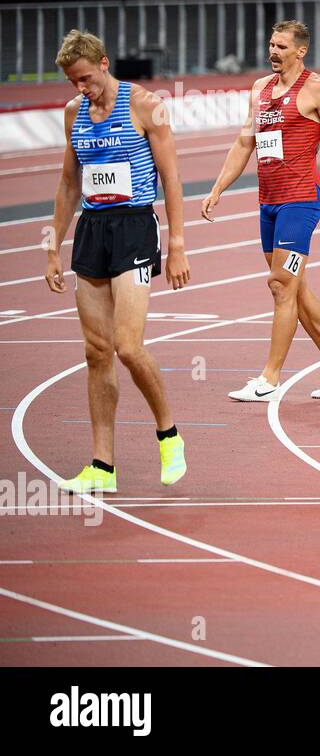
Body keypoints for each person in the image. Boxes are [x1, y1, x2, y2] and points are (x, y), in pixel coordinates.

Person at [46, 29, 191, 492]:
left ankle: (169, 435)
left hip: (134, 227)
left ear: (105, 63)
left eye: (86, 78)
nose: (81, 89)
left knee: (128, 346)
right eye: (73, 82)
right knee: (95, 352)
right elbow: (70, 182)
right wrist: (54, 245)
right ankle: (102, 466)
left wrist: (178, 245)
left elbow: (171, 179)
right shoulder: (74, 113)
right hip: (92, 230)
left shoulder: (146, 105)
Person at [203, 21, 320, 402]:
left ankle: (269, 379)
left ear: (300, 51)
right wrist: (217, 188)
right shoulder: (259, 90)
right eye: (271, 44)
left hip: (301, 201)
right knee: (293, 287)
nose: (273, 52)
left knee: (280, 286)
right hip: (269, 202)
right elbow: (245, 143)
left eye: (281, 47)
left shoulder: (318, 91)